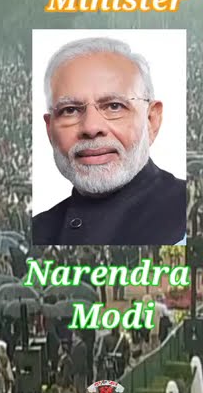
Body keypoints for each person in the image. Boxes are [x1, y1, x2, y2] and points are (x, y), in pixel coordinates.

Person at [33, 36, 186, 245]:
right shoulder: (39, 230)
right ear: (49, 130)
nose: (91, 127)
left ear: (151, 120)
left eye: (114, 106)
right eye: (70, 110)